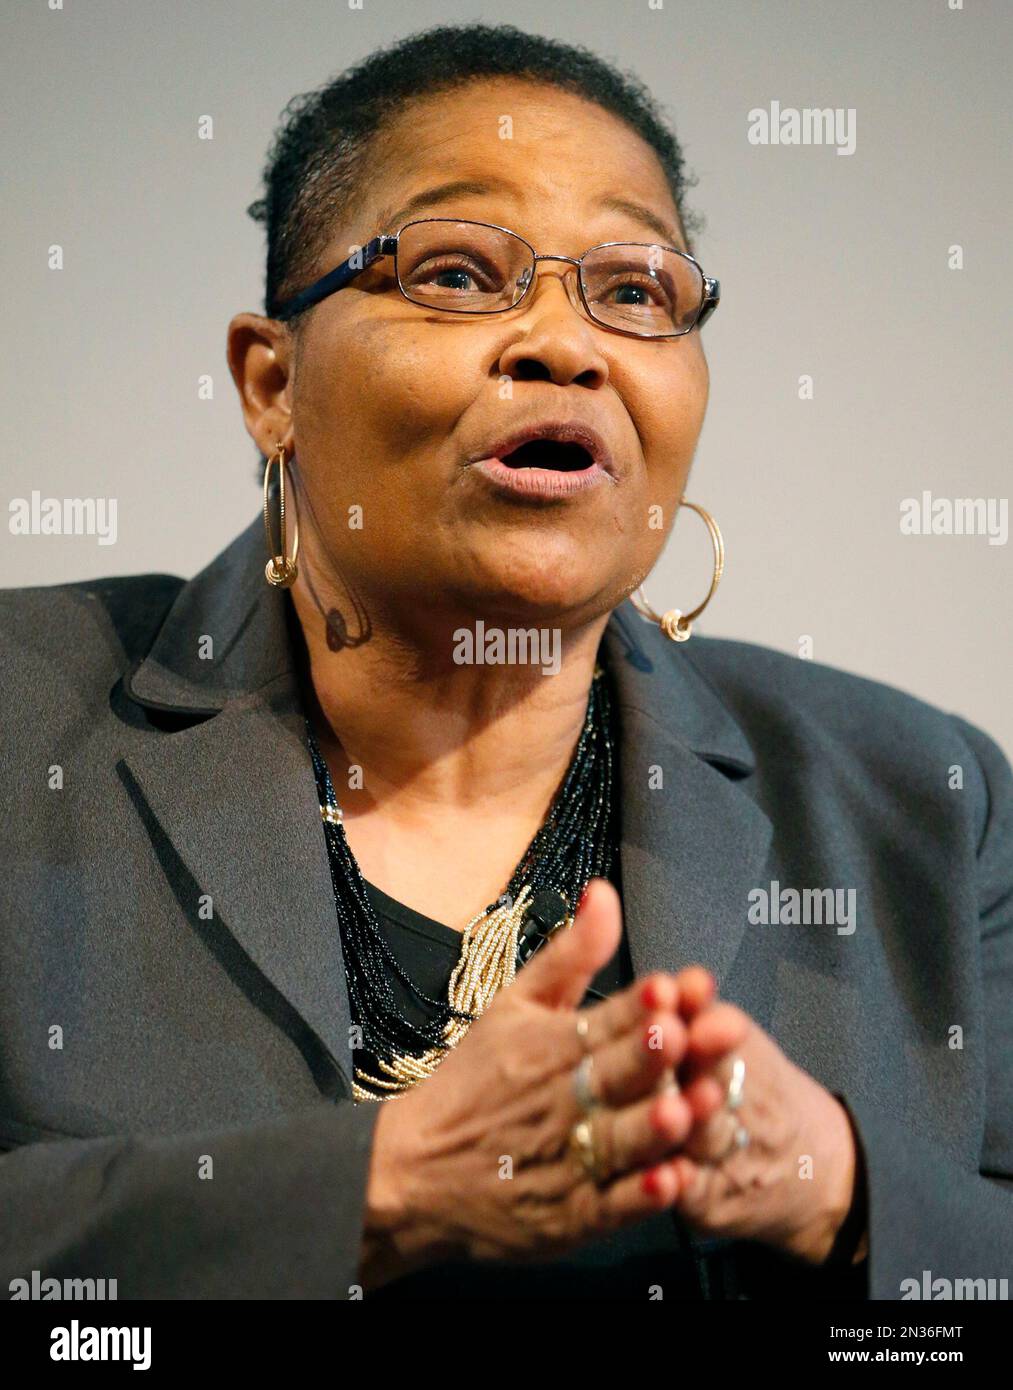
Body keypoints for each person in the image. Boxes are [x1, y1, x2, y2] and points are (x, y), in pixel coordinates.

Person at [2, 23, 1010, 1302]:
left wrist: (844, 1199)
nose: (562, 345)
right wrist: (376, 1187)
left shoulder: (924, 800)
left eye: (635, 290)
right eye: (459, 274)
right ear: (272, 383)